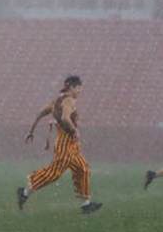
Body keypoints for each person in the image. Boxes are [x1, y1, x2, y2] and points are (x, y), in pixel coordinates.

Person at [18, 75, 102, 214]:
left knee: (83, 169)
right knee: (54, 173)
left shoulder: (57, 100)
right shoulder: (69, 100)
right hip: (65, 143)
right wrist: (75, 130)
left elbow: (40, 113)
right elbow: (65, 118)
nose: (80, 91)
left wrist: (31, 131)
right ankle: (24, 192)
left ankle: (86, 205)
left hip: (71, 144)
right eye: (79, 88)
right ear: (72, 87)